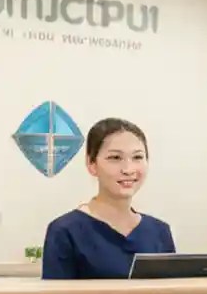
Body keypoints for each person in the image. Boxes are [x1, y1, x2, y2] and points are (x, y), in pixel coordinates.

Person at [41, 118, 175, 279]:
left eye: (138, 157)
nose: (128, 169)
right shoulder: (65, 231)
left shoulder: (159, 232)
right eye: (115, 158)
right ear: (92, 164)